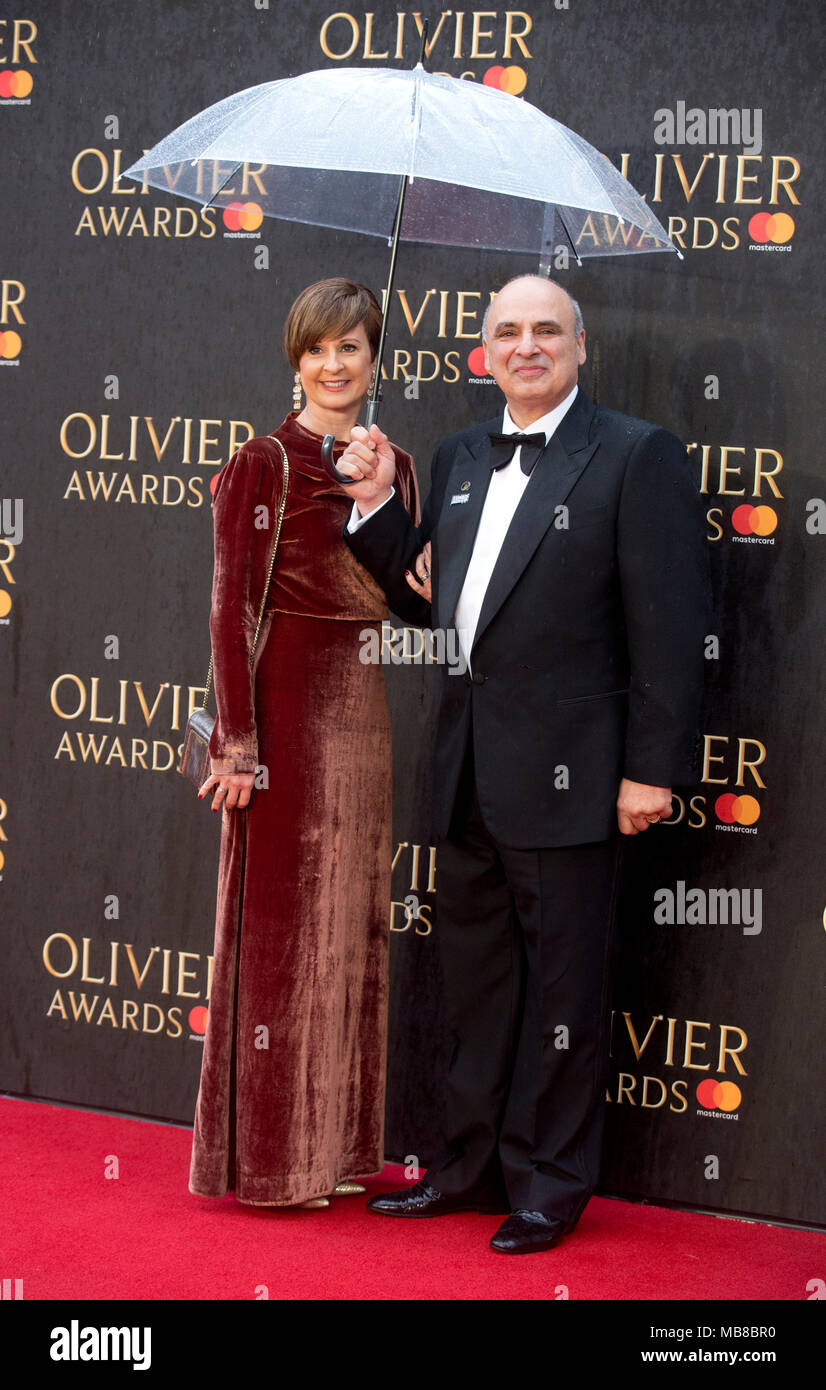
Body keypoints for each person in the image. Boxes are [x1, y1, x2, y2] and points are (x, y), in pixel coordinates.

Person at [338, 274, 711, 1252]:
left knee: (561, 999)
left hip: (574, 776)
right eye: (507, 330)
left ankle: (549, 1184)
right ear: (484, 351)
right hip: (463, 771)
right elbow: (433, 613)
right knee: (476, 989)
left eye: (547, 329)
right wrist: (377, 509)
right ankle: (463, 1171)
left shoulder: (635, 456)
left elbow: (671, 631)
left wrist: (650, 769)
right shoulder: (460, 454)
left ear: (580, 346)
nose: (526, 345)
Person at [189, 277, 419, 1209]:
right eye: (317, 349)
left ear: (374, 359)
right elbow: (229, 608)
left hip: (362, 707)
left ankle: (337, 1152)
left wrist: (375, 500)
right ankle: (276, 1162)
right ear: (297, 358)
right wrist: (236, 746)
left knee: (350, 931)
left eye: (351, 348)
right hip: (283, 704)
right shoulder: (266, 463)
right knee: (284, 939)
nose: (333, 365)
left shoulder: (391, 461)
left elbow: (413, 601)